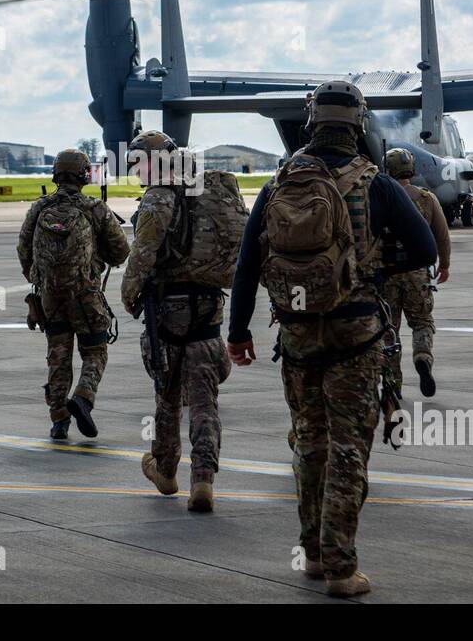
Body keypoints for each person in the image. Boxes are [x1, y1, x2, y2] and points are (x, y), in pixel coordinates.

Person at [227, 81, 436, 597]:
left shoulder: (280, 184)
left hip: (297, 337)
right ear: (358, 122)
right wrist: (369, 268)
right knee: (348, 449)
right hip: (357, 335)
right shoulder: (377, 183)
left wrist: (237, 332)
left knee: (309, 442)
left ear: (311, 120)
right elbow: (424, 248)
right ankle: (342, 568)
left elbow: (247, 263)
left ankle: (314, 555)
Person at [120, 131, 247, 512]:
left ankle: (166, 470)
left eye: (139, 162)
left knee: (168, 397)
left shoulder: (159, 196)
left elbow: (142, 253)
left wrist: (129, 297)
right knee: (206, 399)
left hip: (168, 309)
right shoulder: (210, 188)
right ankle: (203, 480)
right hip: (209, 307)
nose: (137, 171)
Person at [17, 149, 129, 439]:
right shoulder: (95, 209)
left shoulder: (39, 208)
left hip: (50, 298)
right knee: (95, 350)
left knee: (58, 357)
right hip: (86, 296)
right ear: (84, 175)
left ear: (55, 174)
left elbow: (23, 249)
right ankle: (83, 396)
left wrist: (39, 279)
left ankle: (58, 419)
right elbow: (121, 252)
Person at [380, 147, 451, 398]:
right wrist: (444, 265)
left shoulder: (379, 197)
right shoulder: (425, 198)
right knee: (422, 321)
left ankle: (392, 383)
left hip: (387, 273)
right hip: (418, 273)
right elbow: (442, 235)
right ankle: (422, 357)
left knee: (389, 328)